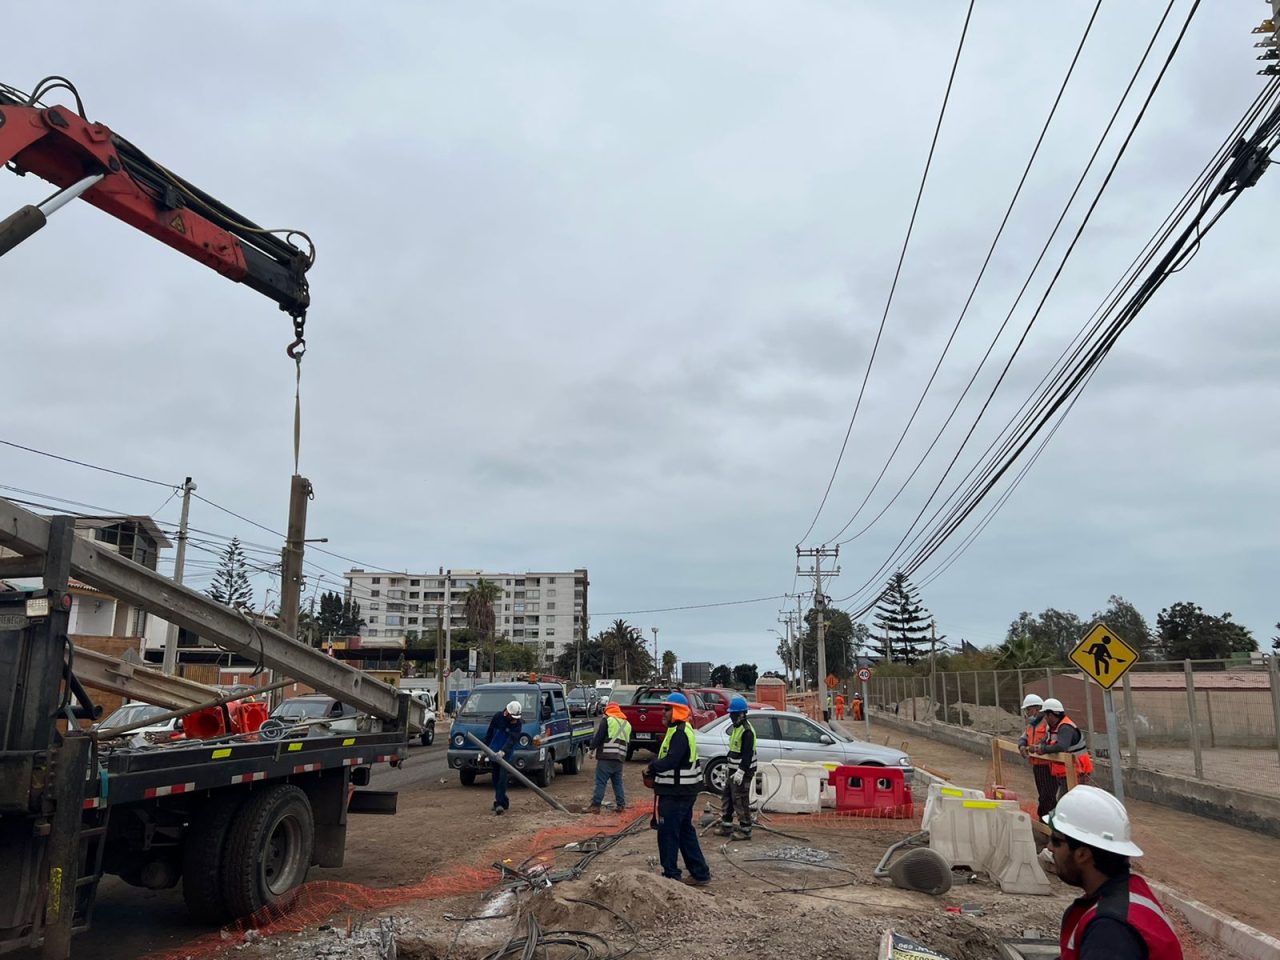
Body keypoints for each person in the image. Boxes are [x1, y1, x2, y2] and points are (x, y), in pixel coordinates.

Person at [1048, 785, 1183, 959]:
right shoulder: (1127, 892)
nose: (1049, 847)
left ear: (1082, 854)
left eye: (1056, 841)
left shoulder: (1110, 931)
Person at [644, 692, 712, 886]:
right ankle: (700, 873)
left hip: (677, 793)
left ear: (678, 711)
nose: (662, 713)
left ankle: (671, 876)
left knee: (668, 833)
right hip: (680, 791)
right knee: (684, 832)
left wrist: (652, 767)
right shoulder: (678, 731)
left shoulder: (681, 733)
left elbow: (671, 761)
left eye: (667, 709)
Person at [1033, 698, 1094, 804]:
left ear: (1050, 715)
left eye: (1045, 715)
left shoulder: (1065, 728)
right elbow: (1045, 741)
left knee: (1066, 803)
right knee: (1068, 803)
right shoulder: (1052, 728)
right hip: (1065, 772)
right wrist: (1037, 747)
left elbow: (1062, 746)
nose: (1045, 718)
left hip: (1077, 771)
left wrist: (1043, 749)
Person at [716, 696, 757, 840]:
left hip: (743, 771)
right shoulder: (737, 728)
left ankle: (745, 829)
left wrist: (741, 771)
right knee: (727, 795)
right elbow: (734, 749)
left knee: (740, 798)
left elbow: (747, 755)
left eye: (733, 714)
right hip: (734, 770)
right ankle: (726, 825)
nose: (731, 717)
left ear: (741, 714)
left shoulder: (747, 731)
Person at [1017, 693, 1056, 818]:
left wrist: (1038, 746)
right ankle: (1046, 821)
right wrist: (1022, 745)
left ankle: (1046, 821)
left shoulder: (1047, 723)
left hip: (1049, 767)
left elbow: (1049, 738)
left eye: (1028, 710)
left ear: (1037, 708)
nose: (1027, 713)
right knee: (1043, 795)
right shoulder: (1031, 725)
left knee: (1047, 797)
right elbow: (1024, 737)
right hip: (1037, 766)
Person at [589, 701, 631, 814]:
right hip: (619, 759)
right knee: (617, 782)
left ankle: (595, 806)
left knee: (601, 782)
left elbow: (599, 736)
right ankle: (621, 805)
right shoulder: (626, 724)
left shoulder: (608, 720)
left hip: (606, 757)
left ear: (607, 711)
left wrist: (591, 748)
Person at [484, 699, 524, 816]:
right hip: (493, 752)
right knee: (496, 778)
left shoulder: (517, 724)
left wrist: (503, 751)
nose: (515, 721)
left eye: (517, 719)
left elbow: (512, 740)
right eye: (513, 718)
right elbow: (490, 733)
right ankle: (504, 800)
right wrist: (485, 749)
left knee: (502, 778)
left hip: (505, 755)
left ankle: (499, 804)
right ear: (507, 713)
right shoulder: (497, 717)